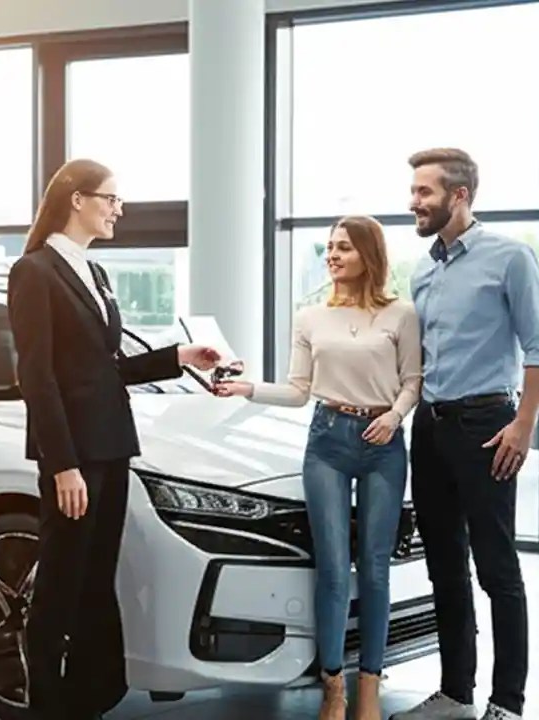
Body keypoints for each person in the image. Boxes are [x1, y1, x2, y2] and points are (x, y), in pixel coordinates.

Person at [7, 158, 222, 720]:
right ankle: (47, 707)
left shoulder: (93, 272)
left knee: (96, 578)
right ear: (77, 199)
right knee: (60, 584)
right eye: (111, 199)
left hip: (111, 445)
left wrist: (178, 357)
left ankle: (88, 700)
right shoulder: (34, 271)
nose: (118, 210)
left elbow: (105, 368)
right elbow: (37, 376)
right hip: (76, 456)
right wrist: (62, 464)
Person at [215, 215, 422, 720]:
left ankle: (369, 687)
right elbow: (298, 391)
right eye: (330, 247)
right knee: (331, 568)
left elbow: (413, 380)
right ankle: (333, 686)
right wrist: (247, 389)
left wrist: (394, 417)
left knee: (374, 568)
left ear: (368, 255)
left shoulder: (401, 314)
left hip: (383, 443)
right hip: (328, 440)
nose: (332, 255)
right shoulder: (310, 317)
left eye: (344, 247)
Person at [390, 148, 539, 720]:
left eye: (424, 192)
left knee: (496, 568)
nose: (414, 202)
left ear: (459, 195)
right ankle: (456, 693)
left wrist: (523, 426)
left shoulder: (509, 257)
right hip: (430, 428)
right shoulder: (423, 270)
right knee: (443, 567)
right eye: (413, 191)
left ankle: (507, 702)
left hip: (487, 427)